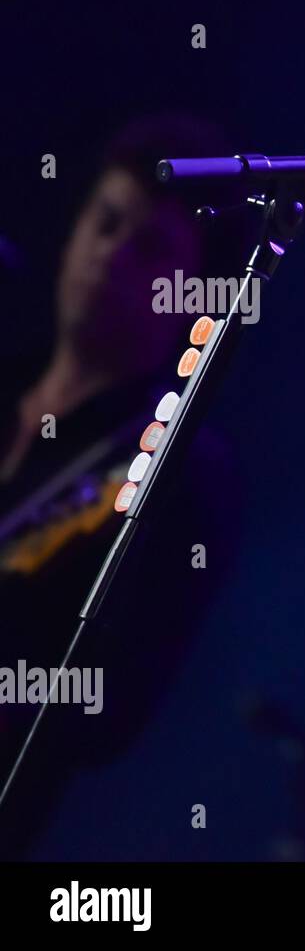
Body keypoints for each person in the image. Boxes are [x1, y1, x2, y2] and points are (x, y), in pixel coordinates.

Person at [0, 114, 245, 857]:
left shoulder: (181, 470)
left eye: (150, 250)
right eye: (105, 223)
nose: (111, 256)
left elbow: (110, 713)